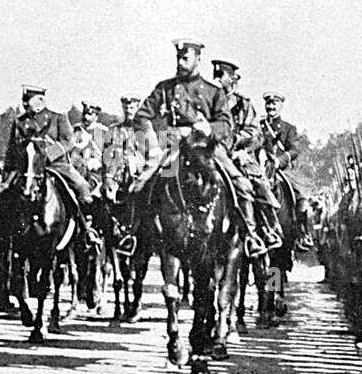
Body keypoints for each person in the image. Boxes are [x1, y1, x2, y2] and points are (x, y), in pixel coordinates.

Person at [133, 37, 267, 257]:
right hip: (173, 146)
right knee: (143, 184)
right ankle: (135, 235)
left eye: (185, 58)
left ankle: (251, 234)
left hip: (207, 149)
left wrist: (209, 129)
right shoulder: (164, 88)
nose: (180, 62)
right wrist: (154, 145)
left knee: (240, 183)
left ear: (197, 59)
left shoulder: (213, 91)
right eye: (178, 57)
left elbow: (226, 124)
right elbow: (142, 117)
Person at [2, 85, 99, 245]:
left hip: (56, 165)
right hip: (27, 168)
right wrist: (6, 178)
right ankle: (1, 235)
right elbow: (12, 151)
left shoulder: (57, 117)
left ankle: (87, 230)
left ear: (40, 100)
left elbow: (68, 141)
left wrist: (47, 154)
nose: (25, 103)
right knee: (5, 196)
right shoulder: (20, 121)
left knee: (82, 188)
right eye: (24, 100)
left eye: (28, 100)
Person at [211, 59, 283, 252]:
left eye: (221, 76)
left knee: (253, 185)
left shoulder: (243, 104)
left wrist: (237, 144)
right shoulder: (206, 100)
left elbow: (255, 133)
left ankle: (259, 233)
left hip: (237, 154)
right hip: (210, 153)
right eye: (215, 76)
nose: (216, 80)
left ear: (232, 81)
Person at [260, 93, 315, 250]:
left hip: (282, 170)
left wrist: (279, 160)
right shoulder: (259, 127)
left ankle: (302, 232)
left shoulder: (288, 128)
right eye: (268, 104)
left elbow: (295, 149)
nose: (271, 107)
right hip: (261, 166)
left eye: (274, 104)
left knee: (300, 195)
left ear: (281, 106)